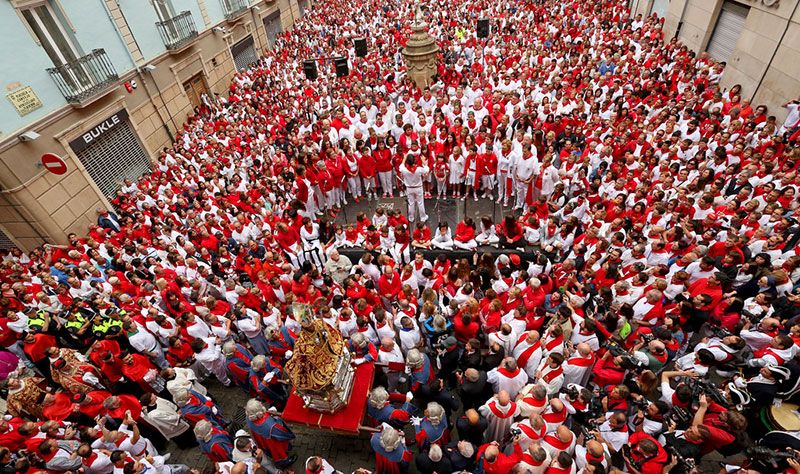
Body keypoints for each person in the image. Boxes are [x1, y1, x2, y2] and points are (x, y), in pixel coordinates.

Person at [245, 399, 297, 468]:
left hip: (261, 439)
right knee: (278, 452)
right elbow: (281, 434)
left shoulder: (248, 418)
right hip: (272, 442)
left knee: (270, 451)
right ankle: (284, 462)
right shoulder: (269, 425)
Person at [398, 155, 429, 223]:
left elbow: (400, 166)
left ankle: (411, 217)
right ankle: (423, 217)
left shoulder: (404, 170)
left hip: (409, 188)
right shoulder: (419, 169)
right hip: (418, 188)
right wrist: (424, 162)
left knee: (411, 203)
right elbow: (426, 170)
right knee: (420, 203)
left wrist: (404, 158)